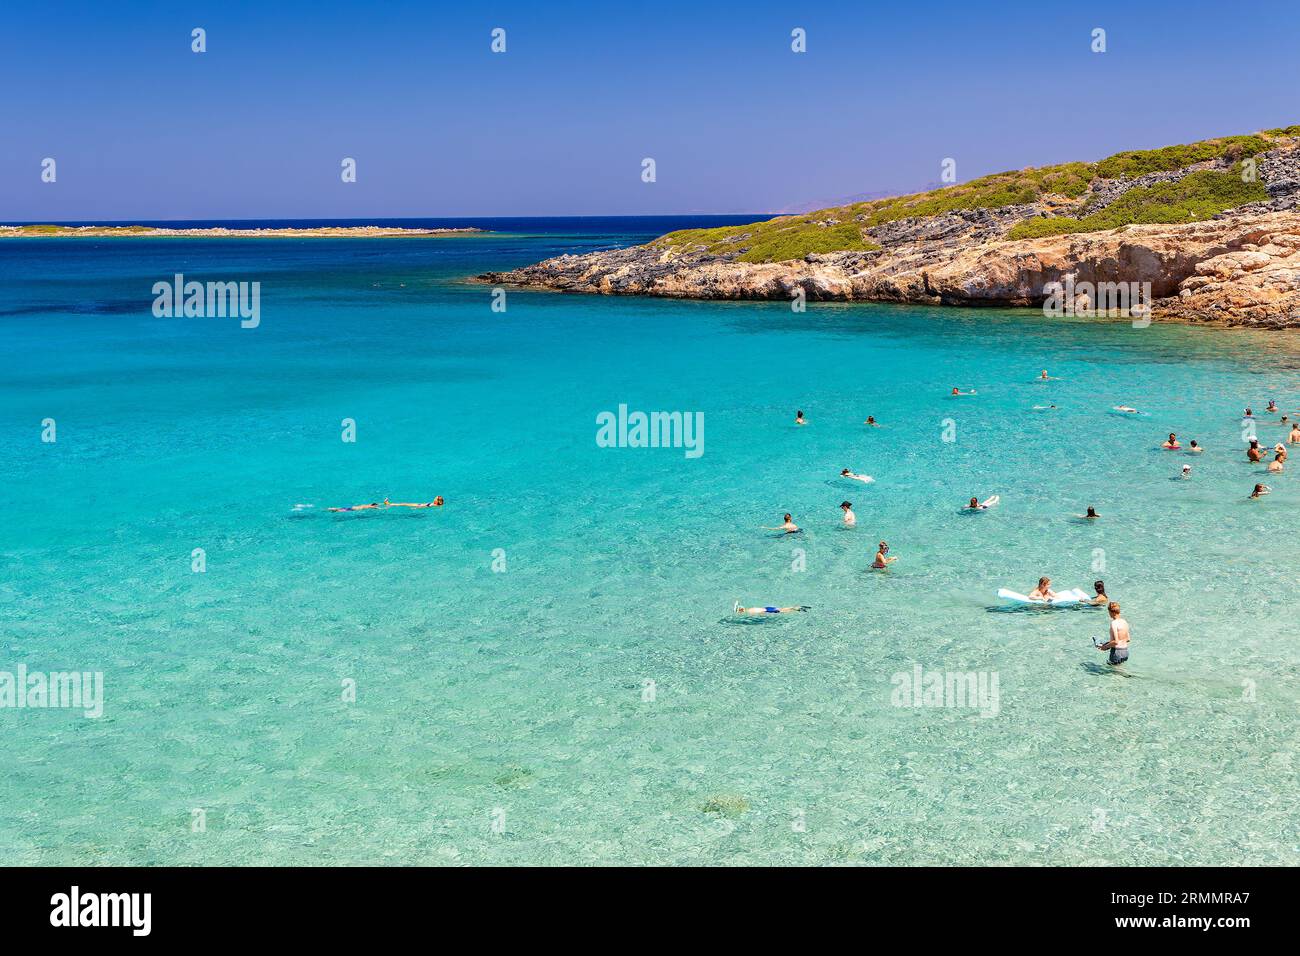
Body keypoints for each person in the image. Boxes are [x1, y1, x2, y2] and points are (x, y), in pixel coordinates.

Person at [1096, 601, 1130, 666]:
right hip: (1125, 652)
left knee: (1115, 674)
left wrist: (1104, 647)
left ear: (1111, 612)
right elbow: (1128, 639)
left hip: (1117, 652)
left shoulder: (1114, 623)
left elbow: (1116, 642)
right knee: (1120, 670)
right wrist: (1108, 644)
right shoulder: (1124, 622)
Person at [736, 604, 809, 616]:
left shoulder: (750, 611)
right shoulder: (749, 609)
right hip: (768, 608)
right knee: (782, 609)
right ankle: (798, 608)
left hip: (768, 610)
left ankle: (797, 609)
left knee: (783, 611)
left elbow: (761, 612)